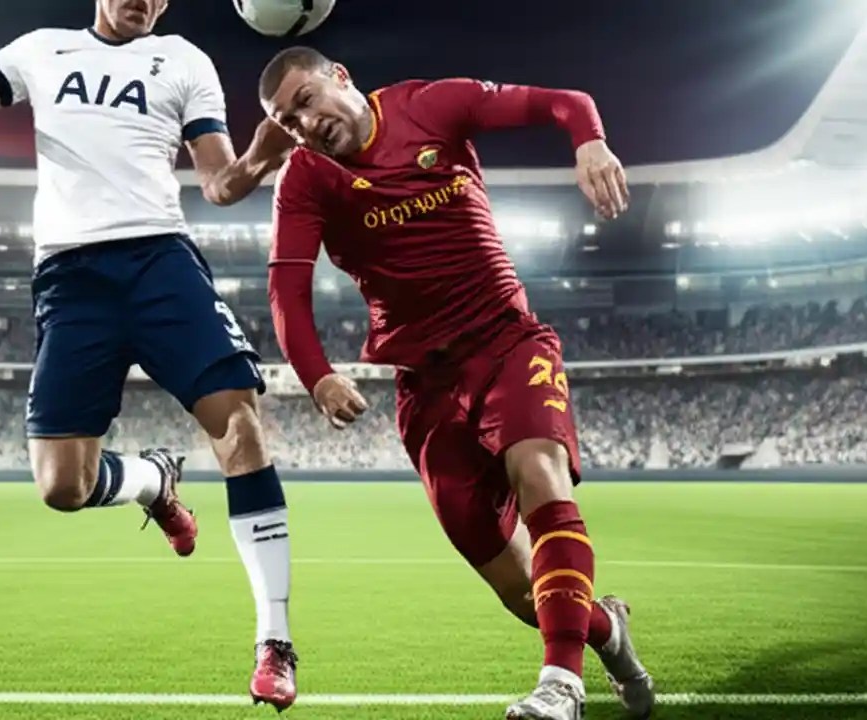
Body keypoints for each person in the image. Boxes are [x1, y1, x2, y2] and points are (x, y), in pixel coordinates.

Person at [0, 1, 299, 708]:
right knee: (61, 486)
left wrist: (263, 155)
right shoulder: (42, 48)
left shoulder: (184, 61)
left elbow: (218, 184)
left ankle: (274, 639)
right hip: (71, 277)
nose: (143, 2)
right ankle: (151, 481)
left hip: (161, 261)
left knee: (240, 424)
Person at [260, 46, 653, 720]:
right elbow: (287, 290)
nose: (305, 123)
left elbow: (565, 99)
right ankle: (608, 632)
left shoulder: (429, 105)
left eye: (305, 99)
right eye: (288, 121)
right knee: (523, 594)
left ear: (340, 78)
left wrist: (589, 142)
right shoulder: (304, 179)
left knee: (540, 475)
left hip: (507, 340)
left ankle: (562, 687)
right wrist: (318, 378)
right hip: (425, 388)